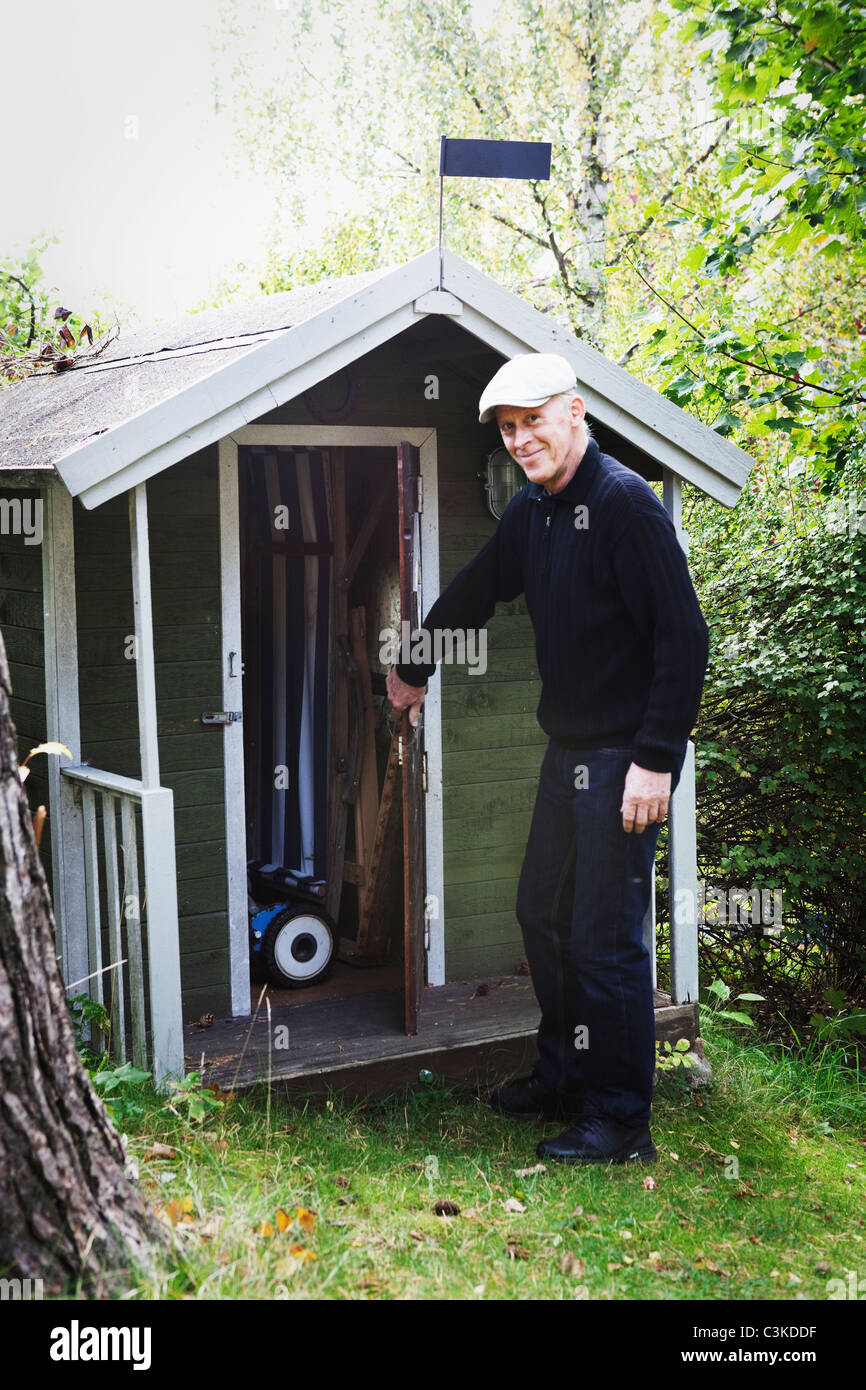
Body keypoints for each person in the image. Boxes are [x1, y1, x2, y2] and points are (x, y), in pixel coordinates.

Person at [386, 353, 709, 1165]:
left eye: (534, 421)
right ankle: (566, 1072)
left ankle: (619, 1118)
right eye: (508, 428)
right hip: (567, 755)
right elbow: (475, 589)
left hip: (624, 759)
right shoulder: (533, 512)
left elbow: (683, 638)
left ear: (573, 413)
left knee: (605, 941)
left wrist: (655, 761)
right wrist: (413, 664)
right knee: (543, 914)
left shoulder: (626, 505)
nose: (521, 439)